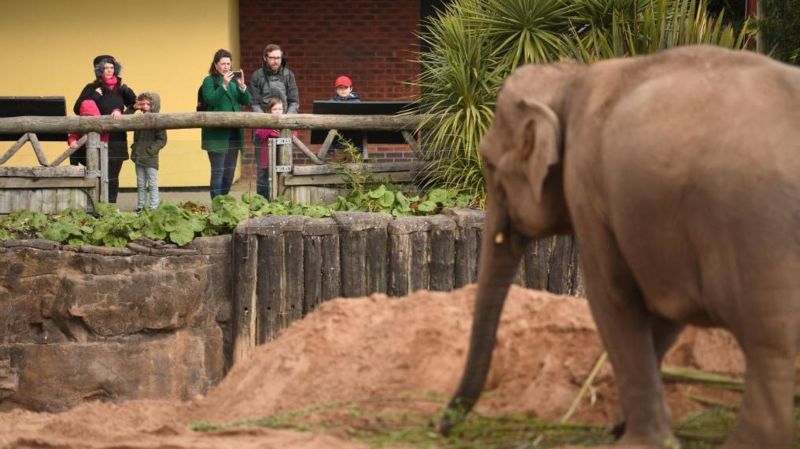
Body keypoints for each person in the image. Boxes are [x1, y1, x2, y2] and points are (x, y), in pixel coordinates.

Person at [73, 55, 137, 203]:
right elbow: (78, 108)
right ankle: (95, 204)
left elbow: (135, 104)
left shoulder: (121, 88)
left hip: (117, 139)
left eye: (112, 67)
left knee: (113, 176)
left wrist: (127, 94)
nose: (109, 70)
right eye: (105, 68)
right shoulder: (91, 88)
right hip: (96, 139)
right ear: (99, 70)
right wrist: (95, 96)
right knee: (96, 172)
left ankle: (111, 206)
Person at [200, 49, 251, 199]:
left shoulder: (234, 82)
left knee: (229, 173)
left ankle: (224, 201)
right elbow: (211, 100)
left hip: (234, 134)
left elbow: (247, 101)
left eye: (228, 64)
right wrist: (223, 85)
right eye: (223, 64)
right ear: (216, 65)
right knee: (218, 171)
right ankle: (217, 204)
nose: (226, 67)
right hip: (217, 135)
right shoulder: (209, 81)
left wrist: (242, 86)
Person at [253, 97, 298, 199]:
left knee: (281, 178)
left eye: (280, 109)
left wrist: (284, 133)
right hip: (266, 159)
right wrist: (275, 131)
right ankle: (262, 200)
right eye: (274, 109)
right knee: (264, 179)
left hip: (282, 158)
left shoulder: (287, 122)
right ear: (269, 111)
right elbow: (260, 133)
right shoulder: (264, 122)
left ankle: (279, 199)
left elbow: (294, 133)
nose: (278, 111)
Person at [130, 92, 167, 211]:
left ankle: (154, 207)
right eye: (143, 104)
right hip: (138, 157)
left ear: (154, 105)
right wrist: (135, 149)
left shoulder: (158, 120)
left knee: (152, 183)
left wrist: (150, 151)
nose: (145, 106)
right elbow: (124, 118)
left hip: (150, 158)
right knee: (140, 183)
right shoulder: (139, 119)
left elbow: (162, 140)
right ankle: (140, 206)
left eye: (148, 104)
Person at [248, 44, 300, 114]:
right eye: (272, 58)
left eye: (278, 58)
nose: (276, 61)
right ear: (265, 58)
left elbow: (294, 102)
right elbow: (254, 103)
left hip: (284, 118)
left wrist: (287, 117)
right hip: (263, 119)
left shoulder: (288, 75)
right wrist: (263, 118)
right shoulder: (257, 76)